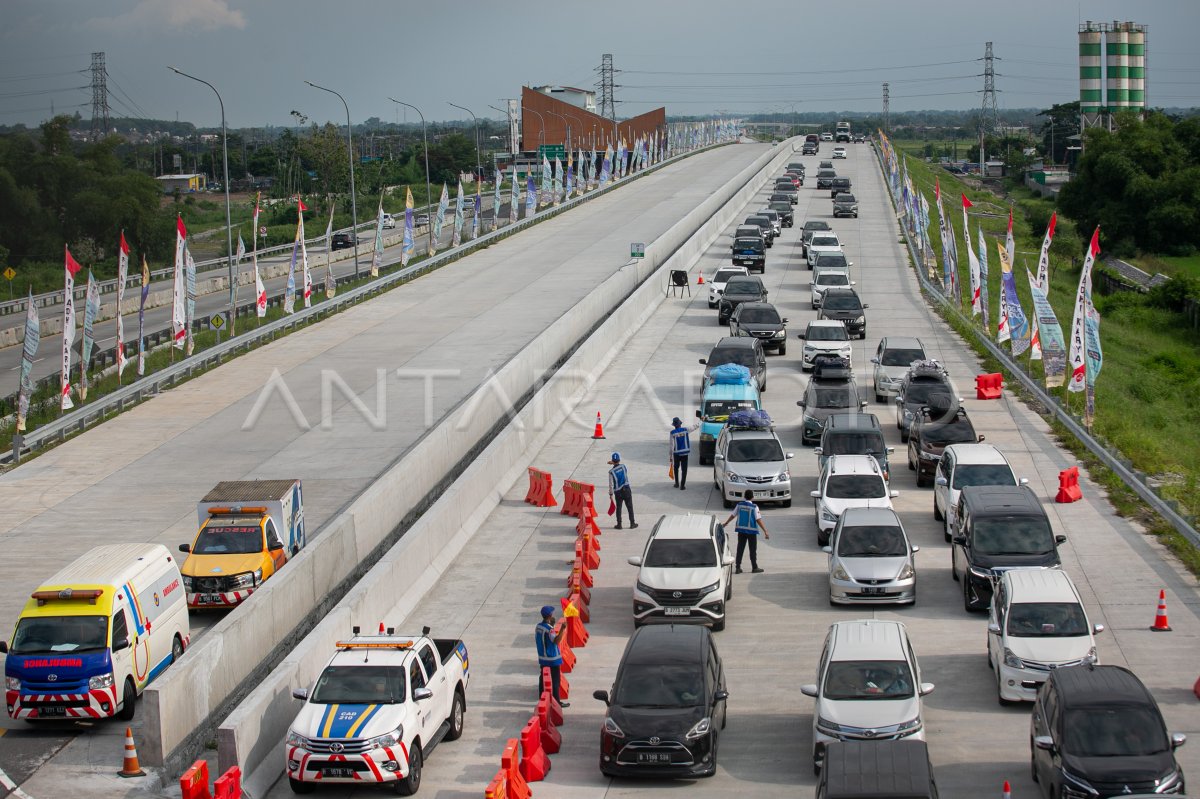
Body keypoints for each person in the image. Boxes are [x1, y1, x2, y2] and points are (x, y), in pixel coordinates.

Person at [723, 489, 769, 574]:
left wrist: (726, 523)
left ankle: (738, 567)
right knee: (752, 550)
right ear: (752, 497)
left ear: (744, 497)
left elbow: (733, 515)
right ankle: (754, 567)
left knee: (740, 548)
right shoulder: (754, 507)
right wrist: (765, 531)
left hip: (741, 531)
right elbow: (758, 519)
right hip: (752, 532)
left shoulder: (739, 505)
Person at [535, 605, 569, 707]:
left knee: (542, 679)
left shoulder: (539, 626)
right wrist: (562, 629)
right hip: (552, 659)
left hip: (543, 658)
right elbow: (556, 641)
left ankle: (541, 699)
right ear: (550, 615)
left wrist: (552, 625)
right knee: (555, 682)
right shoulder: (549, 629)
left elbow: (544, 640)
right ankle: (556, 703)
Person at [668, 417, 700, 490]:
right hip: (685, 453)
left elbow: (671, 446)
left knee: (676, 468)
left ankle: (676, 483)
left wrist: (670, 456)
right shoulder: (686, 430)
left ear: (674, 425)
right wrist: (701, 421)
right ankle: (682, 486)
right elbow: (695, 427)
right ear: (680, 424)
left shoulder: (672, 433)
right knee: (684, 470)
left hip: (676, 454)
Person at [608, 453, 637, 530]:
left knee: (619, 508)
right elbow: (622, 472)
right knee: (629, 507)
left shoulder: (611, 472)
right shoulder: (623, 467)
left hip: (618, 492)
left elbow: (611, 484)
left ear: (612, 461)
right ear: (619, 460)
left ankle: (619, 524)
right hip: (626, 489)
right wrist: (615, 463)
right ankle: (632, 523)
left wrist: (611, 494)